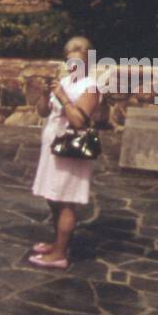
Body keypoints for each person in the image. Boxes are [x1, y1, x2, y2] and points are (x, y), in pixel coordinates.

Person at [29, 36, 101, 269]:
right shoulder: (66, 81)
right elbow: (42, 113)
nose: (72, 67)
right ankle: (57, 242)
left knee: (66, 200)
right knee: (53, 197)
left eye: (78, 62)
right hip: (53, 148)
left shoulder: (90, 87)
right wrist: (43, 95)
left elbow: (79, 121)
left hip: (71, 151)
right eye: (69, 62)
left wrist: (62, 97)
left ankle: (60, 254)